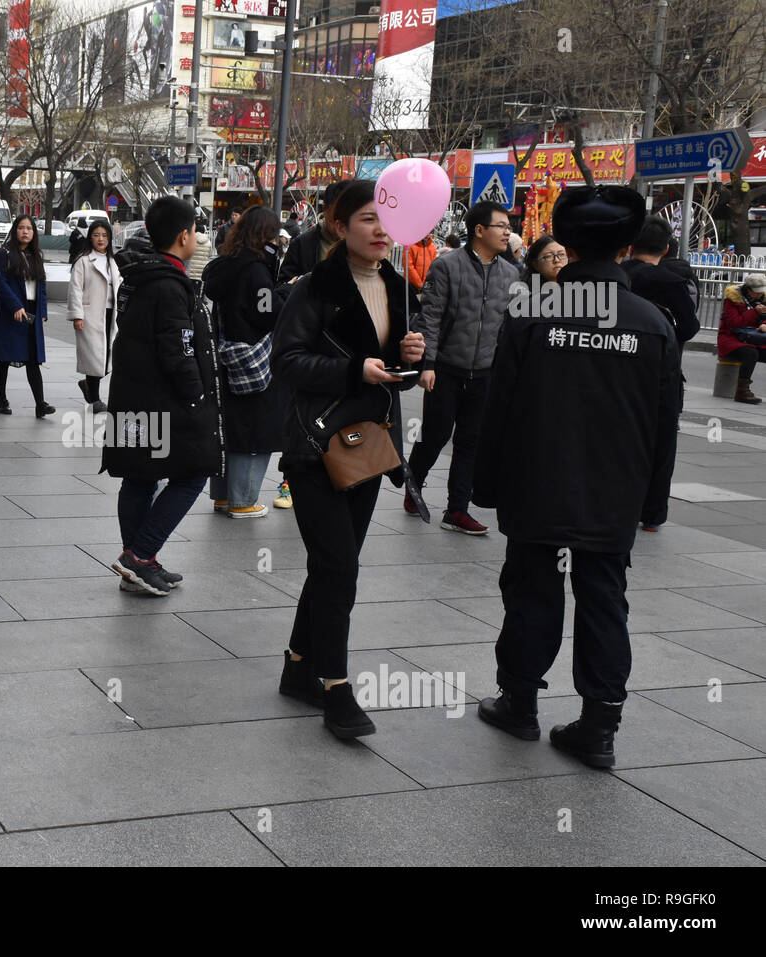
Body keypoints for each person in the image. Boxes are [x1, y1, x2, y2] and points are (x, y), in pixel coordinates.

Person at [472, 185, 681, 770]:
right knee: (604, 599)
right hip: (615, 490)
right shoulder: (652, 323)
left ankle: (519, 702)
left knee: (531, 589)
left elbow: (500, 408)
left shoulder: (533, 315)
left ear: (566, 240)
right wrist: (653, 502)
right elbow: (666, 424)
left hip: (537, 480)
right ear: (627, 244)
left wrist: (485, 488)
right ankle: (599, 725)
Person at [271, 179, 426, 738]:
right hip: (315, 446)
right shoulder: (314, 288)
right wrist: (353, 368)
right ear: (339, 227)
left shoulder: (397, 284)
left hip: (368, 443)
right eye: (367, 219)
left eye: (386, 218)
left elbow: (390, 365)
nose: (381, 230)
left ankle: (296, 666)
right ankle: (335, 688)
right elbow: (286, 362)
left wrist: (411, 354)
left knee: (333, 564)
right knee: (340, 566)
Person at [103, 195, 223, 597]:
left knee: (139, 478)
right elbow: (179, 350)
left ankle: (138, 563)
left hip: (132, 395)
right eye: (196, 230)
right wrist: (197, 398)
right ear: (184, 235)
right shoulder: (170, 284)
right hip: (160, 400)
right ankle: (139, 556)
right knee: (193, 473)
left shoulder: (141, 275)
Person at [405, 200, 519, 535]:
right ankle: (415, 485)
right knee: (436, 435)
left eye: (508, 226)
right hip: (446, 369)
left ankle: (457, 509)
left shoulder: (511, 274)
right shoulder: (447, 266)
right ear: (479, 230)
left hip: (484, 373)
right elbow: (432, 317)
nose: (507, 232)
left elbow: (508, 328)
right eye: (501, 225)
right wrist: (427, 364)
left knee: (471, 441)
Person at [202, 204, 289, 518]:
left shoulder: (226, 264)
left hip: (227, 356)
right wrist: (285, 293)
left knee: (232, 428)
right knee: (257, 431)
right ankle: (244, 500)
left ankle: (224, 497)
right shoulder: (255, 269)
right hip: (253, 358)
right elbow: (266, 312)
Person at [622, 215, 701, 529]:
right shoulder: (671, 283)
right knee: (661, 443)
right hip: (661, 375)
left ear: (629, 246)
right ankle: (652, 513)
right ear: (666, 248)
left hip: (616, 368)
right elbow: (690, 328)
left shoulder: (616, 276)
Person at [0, 214, 53, 418]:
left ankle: (40, 404)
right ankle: (1, 399)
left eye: (29, 228)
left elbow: (42, 285)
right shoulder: (5, 253)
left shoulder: (37, 255)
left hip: (31, 311)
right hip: (9, 312)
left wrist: (42, 312)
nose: (25, 231)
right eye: (21, 228)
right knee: (3, 358)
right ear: (15, 230)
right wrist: (15, 306)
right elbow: (1, 283)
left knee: (33, 360)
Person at [67, 219, 121, 412]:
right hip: (90, 314)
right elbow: (75, 289)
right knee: (94, 357)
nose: (100, 239)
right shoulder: (83, 260)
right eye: (97, 235)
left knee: (107, 357)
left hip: (110, 314)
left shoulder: (114, 261)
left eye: (105, 235)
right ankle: (95, 399)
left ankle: (87, 385)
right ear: (90, 236)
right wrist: (77, 315)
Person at [278, 180, 351, 283]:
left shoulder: (362, 244)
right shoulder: (302, 245)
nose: (343, 219)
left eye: (349, 212)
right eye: (337, 212)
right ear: (325, 209)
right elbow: (284, 287)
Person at [718, 273, 766, 404]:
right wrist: (755, 312)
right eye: (757, 292)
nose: (760, 295)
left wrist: (763, 324)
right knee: (751, 353)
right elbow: (734, 323)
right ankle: (742, 391)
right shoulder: (733, 299)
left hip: (756, 337)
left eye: (762, 292)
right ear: (748, 289)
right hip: (731, 338)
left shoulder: (763, 299)